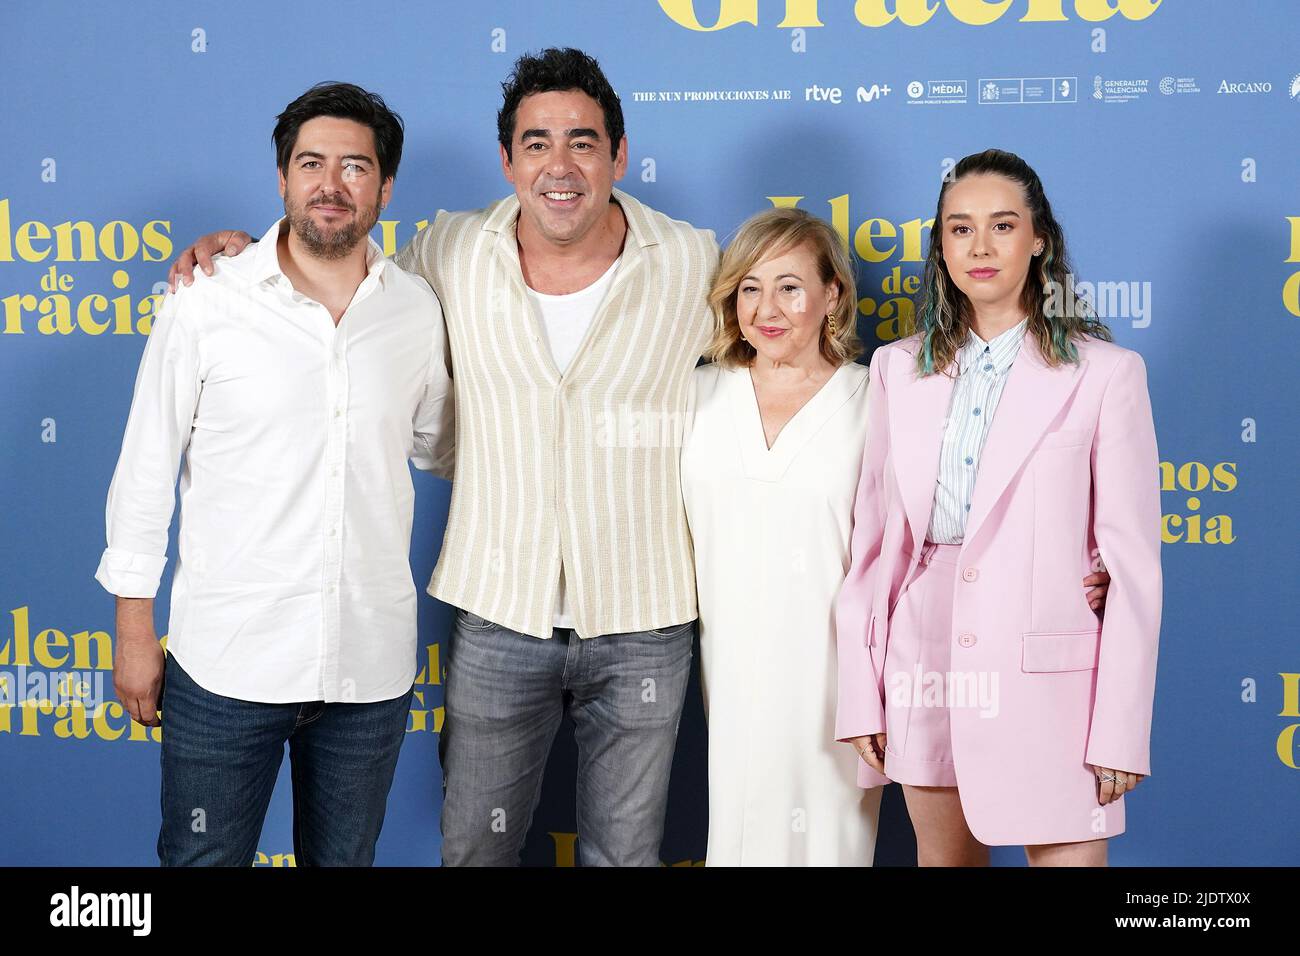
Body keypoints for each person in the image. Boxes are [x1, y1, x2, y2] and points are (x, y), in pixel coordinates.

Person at [169, 49, 717, 867]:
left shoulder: (694, 262)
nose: (559, 166)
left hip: (645, 615)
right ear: (507, 160)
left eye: (582, 141)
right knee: (474, 852)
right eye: (536, 143)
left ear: (619, 154)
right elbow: (334, 267)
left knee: (625, 855)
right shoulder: (447, 253)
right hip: (498, 608)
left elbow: (782, 341)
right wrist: (243, 256)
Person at [97, 82, 454, 866]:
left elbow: (440, 444)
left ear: (385, 187)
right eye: (311, 163)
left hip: (368, 670)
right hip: (227, 664)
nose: (332, 185)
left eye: (355, 167)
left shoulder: (416, 313)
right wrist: (133, 627)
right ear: (284, 178)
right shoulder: (204, 302)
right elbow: (145, 468)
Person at [836, 148, 1161, 867]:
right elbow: (876, 545)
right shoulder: (896, 368)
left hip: (1052, 681)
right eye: (959, 228)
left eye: (1003, 225)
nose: (980, 247)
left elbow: (1133, 571)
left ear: (1039, 237)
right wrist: (862, 692)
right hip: (923, 660)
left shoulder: (1107, 375)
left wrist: (1121, 728)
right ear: (941, 245)